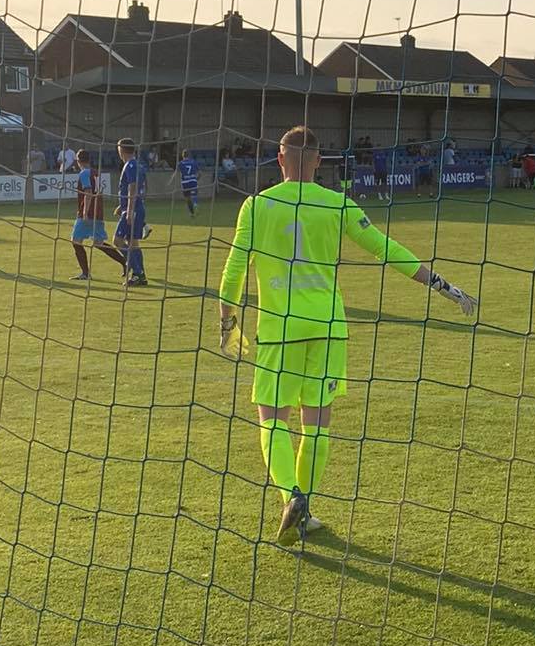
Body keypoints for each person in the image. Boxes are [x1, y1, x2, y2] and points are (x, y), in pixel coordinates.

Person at [218, 124, 476, 545]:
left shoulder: (256, 206)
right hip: (328, 327)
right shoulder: (337, 204)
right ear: (319, 161)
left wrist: (227, 324)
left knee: (272, 418)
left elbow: (234, 270)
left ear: (279, 160)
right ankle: (303, 510)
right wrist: (443, 286)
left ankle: (292, 498)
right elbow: (384, 248)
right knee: (316, 422)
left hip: (280, 328)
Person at [70, 150, 128, 280]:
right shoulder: (96, 173)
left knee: (76, 241)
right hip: (98, 213)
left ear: (78, 161)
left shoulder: (84, 173)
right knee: (98, 243)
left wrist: (85, 211)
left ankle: (85, 273)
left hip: (88, 213)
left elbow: (89, 192)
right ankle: (125, 262)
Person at [115, 137, 150, 285]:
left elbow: (133, 187)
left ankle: (137, 272)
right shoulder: (138, 165)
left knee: (117, 241)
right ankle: (139, 274)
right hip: (136, 207)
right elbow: (143, 188)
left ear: (121, 150)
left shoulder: (130, 165)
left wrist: (128, 210)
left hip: (132, 210)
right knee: (133, 242)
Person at [178, 150, 200, 215]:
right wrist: (196, 179)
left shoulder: (180, 163)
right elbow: (200, 173)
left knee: (187, 198)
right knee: (194, 195)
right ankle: (195, 204)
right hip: (193, 181)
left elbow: (179, 173)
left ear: (182, 155)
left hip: (185, 182)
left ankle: (192, 213)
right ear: (189, 155)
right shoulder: (194, 162)